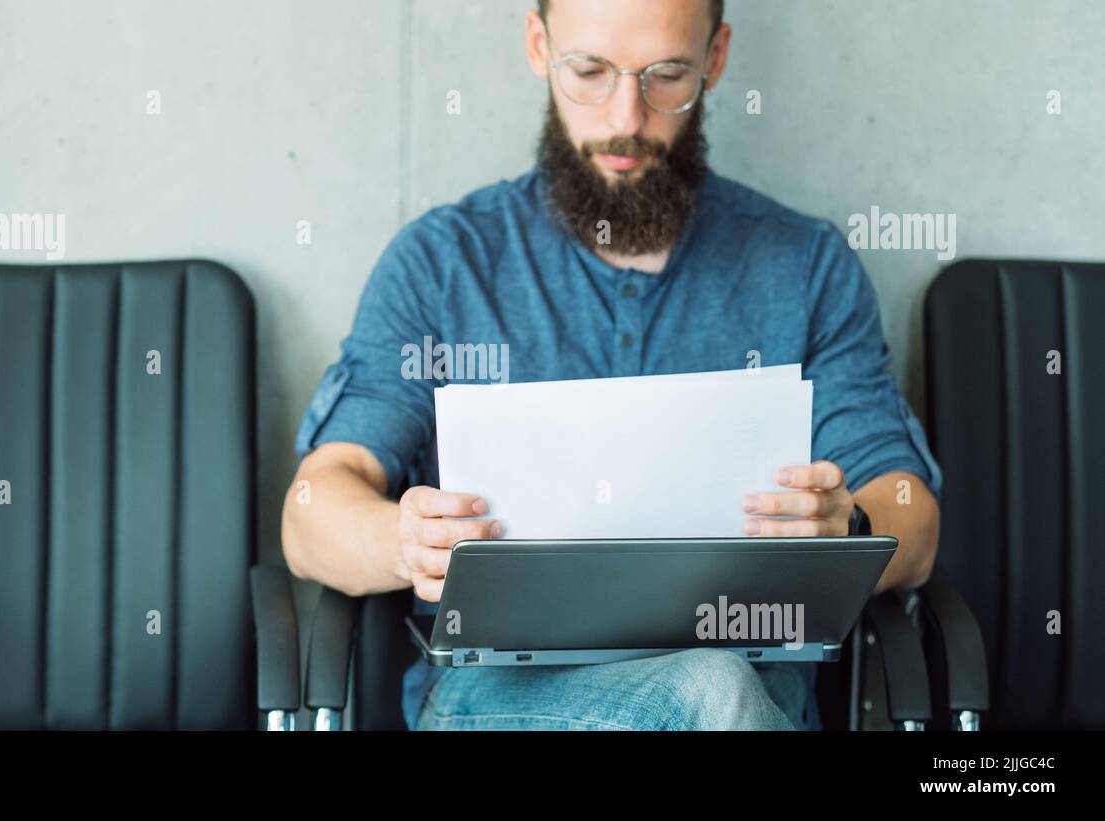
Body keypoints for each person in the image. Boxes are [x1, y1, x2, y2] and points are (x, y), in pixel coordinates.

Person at [281, 0, 942, 730]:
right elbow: (310, 517)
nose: (626, 116)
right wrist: (401, 542)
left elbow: (912, 519)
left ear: (716, 58)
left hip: (747, 697)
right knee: (711, 692)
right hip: (502, 704)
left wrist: (845, 525)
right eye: (590, 71)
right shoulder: (442, 264)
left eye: (666, 75)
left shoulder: (805, 268)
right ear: (539, 46)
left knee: (714, 687)